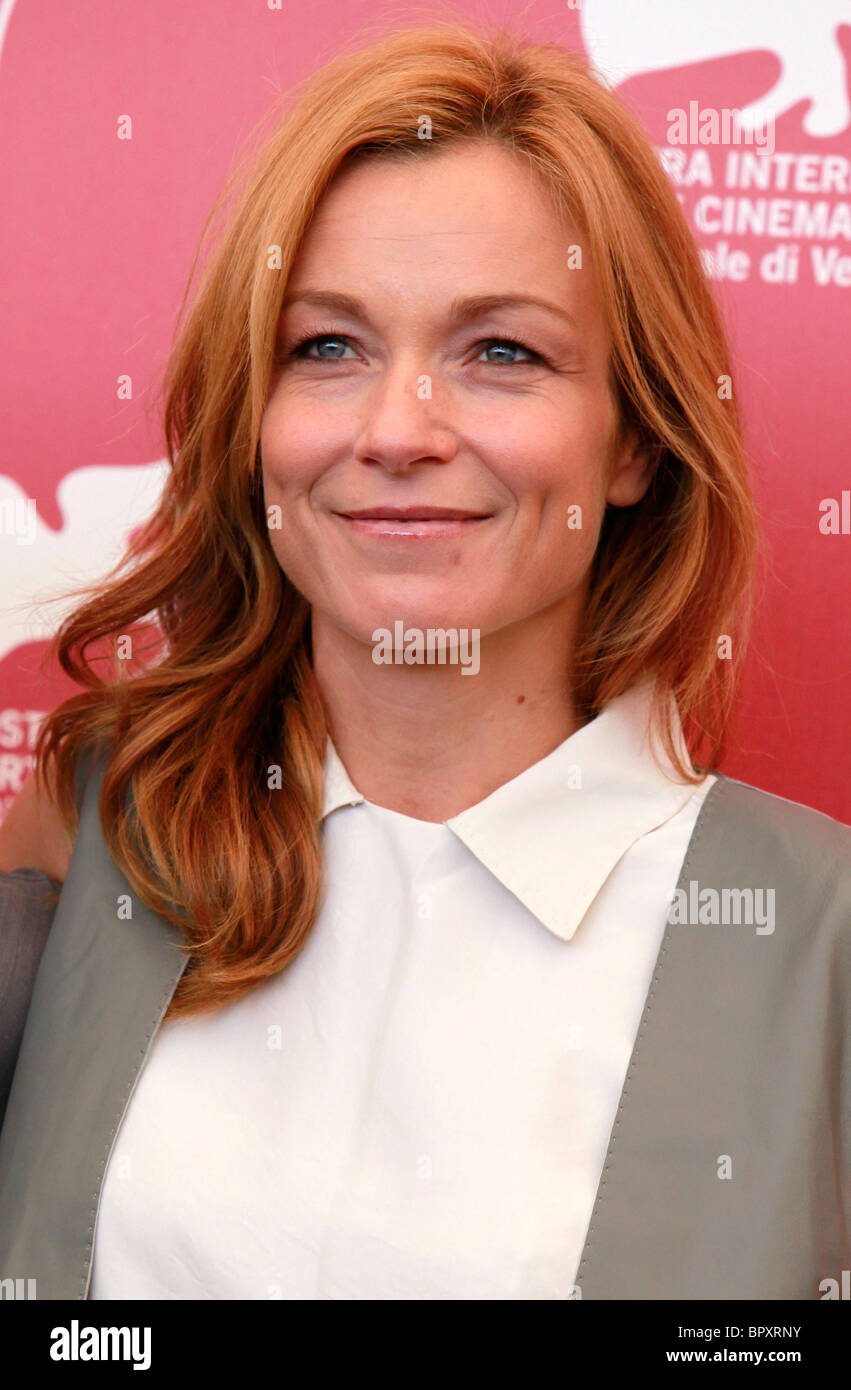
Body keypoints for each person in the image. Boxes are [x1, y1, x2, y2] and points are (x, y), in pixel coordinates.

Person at [0, 19, 848, 1301]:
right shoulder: (96, 823)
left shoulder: (819, 938)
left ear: (632, 442)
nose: (399, 428)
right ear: (255, 418)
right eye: (325, 346)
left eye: (500, 351)